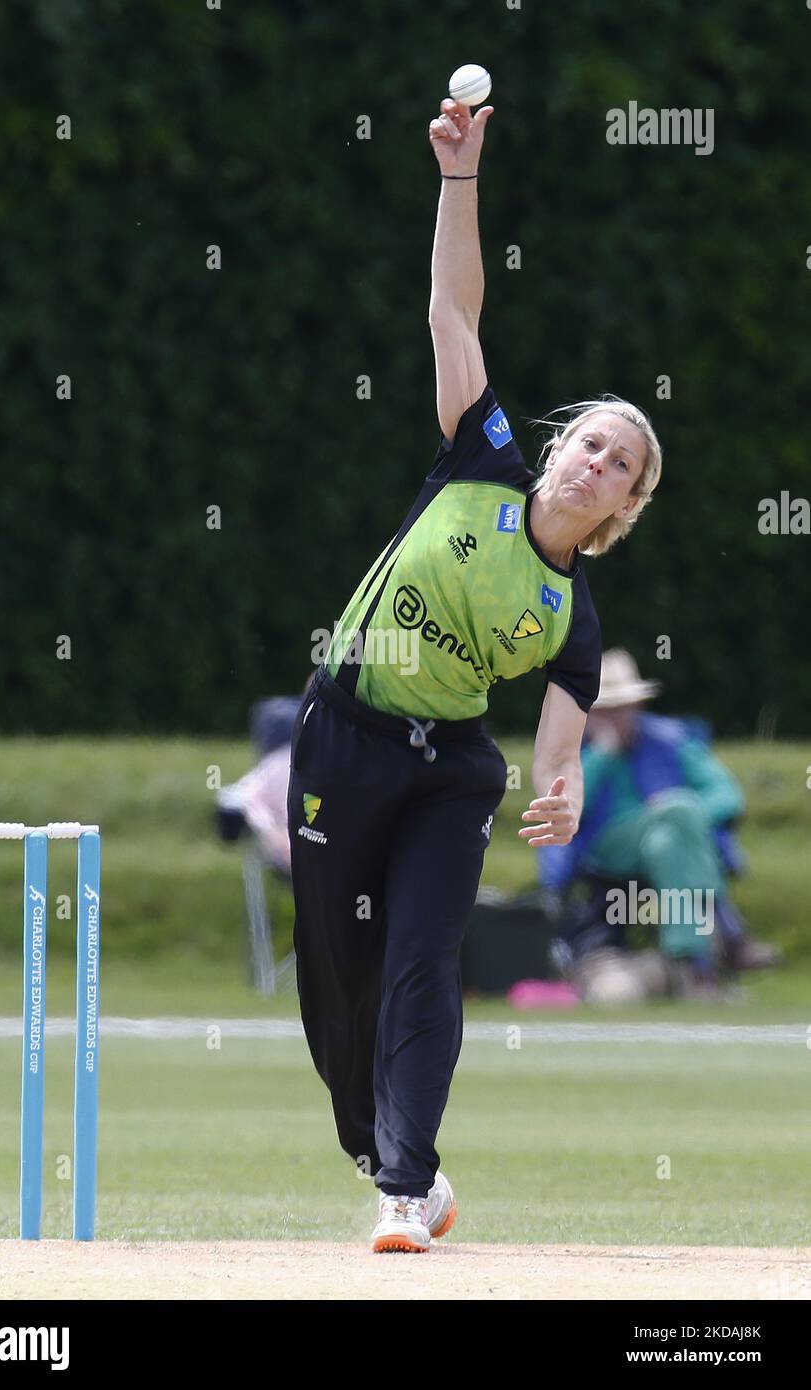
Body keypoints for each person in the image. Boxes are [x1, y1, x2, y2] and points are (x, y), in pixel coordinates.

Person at [287, 96, 663, 1254]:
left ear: (619, 509)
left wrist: (559, 795)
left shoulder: (570, 621)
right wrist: (460, 175)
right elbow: (454, 306)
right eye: (589, 441)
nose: (594, 462)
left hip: (447, 773)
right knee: (334, 977)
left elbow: (555, 754)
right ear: (555, 449)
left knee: (419, 961)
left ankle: (402, 1186)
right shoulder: (480, 452)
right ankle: (393, 1157)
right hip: (343, 734)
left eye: (620, 464)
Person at [540, 649, 781, 1001]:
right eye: (603, 710)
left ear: (636, 707)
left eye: (620, 708)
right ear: (587, 715)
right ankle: (731, 934)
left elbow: (727, 796)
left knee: (667, 840)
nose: (612, 718)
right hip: (605, 847)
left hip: (668, 841)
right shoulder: (572, 754)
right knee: (679, 808)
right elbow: (568, 808)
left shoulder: (669, 741)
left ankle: (691, 962)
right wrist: (605, 755)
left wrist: (672, 811)